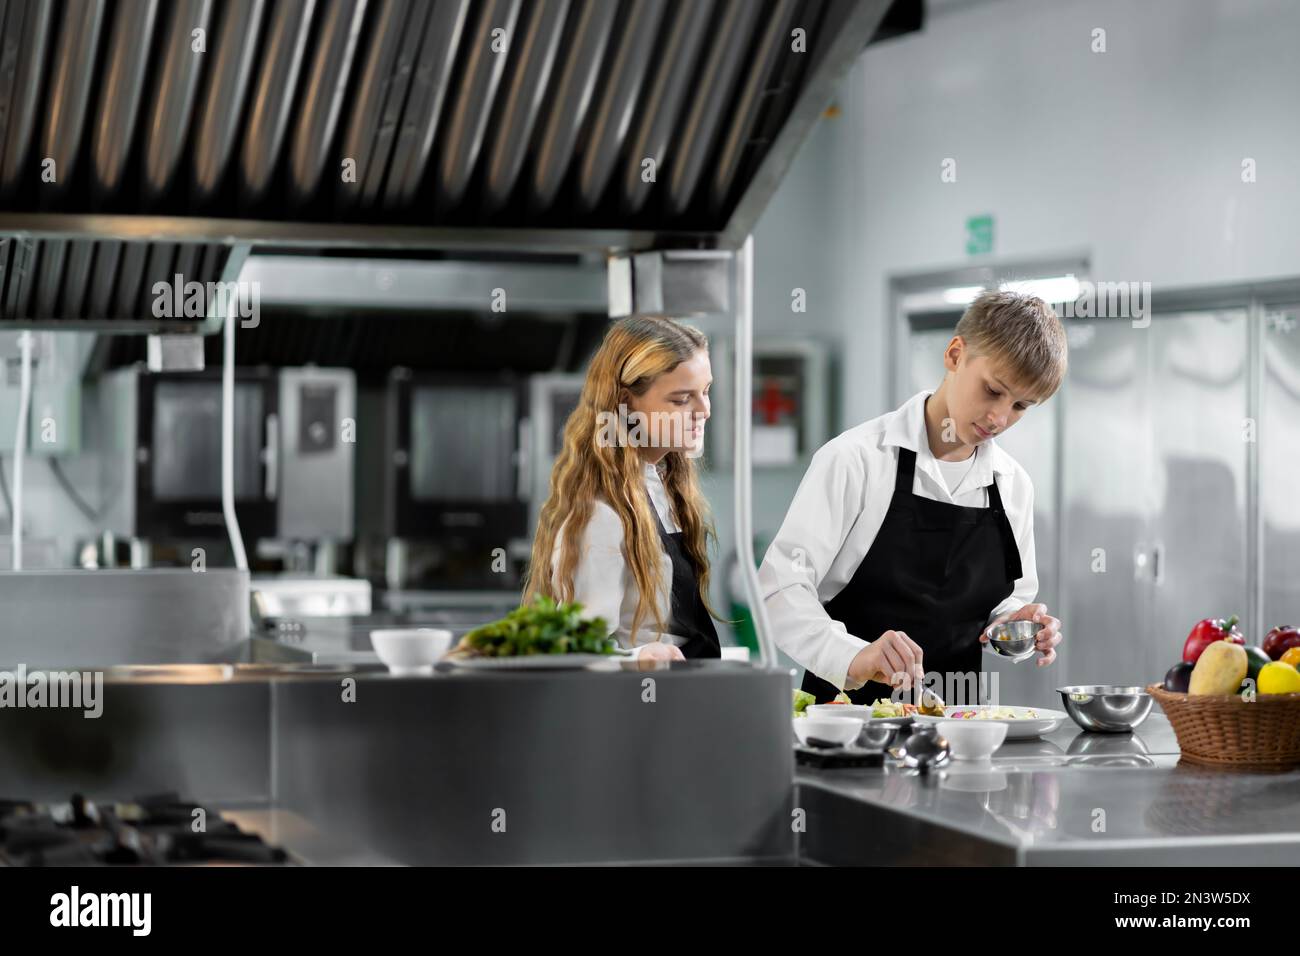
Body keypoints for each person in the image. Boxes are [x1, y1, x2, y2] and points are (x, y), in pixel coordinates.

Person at [760, 290, 1066, 704]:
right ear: (955, 355)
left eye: (1020, 406)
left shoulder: (1013, 485)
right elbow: (780, 588)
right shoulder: (856, 460)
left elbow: (1006, 603)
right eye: (993, 390)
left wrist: (1014, 627)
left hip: (959, 727)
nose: (999, 418)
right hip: (847, 721)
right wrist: (853, 655)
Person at [523, 316, 719, 661]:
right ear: (627, 403)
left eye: (705, 392)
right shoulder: (600, 515)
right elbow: (577, 654)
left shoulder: (664, 490)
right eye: (680, 399)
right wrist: (640, 657)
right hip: (639, 705)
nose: (704, 411)